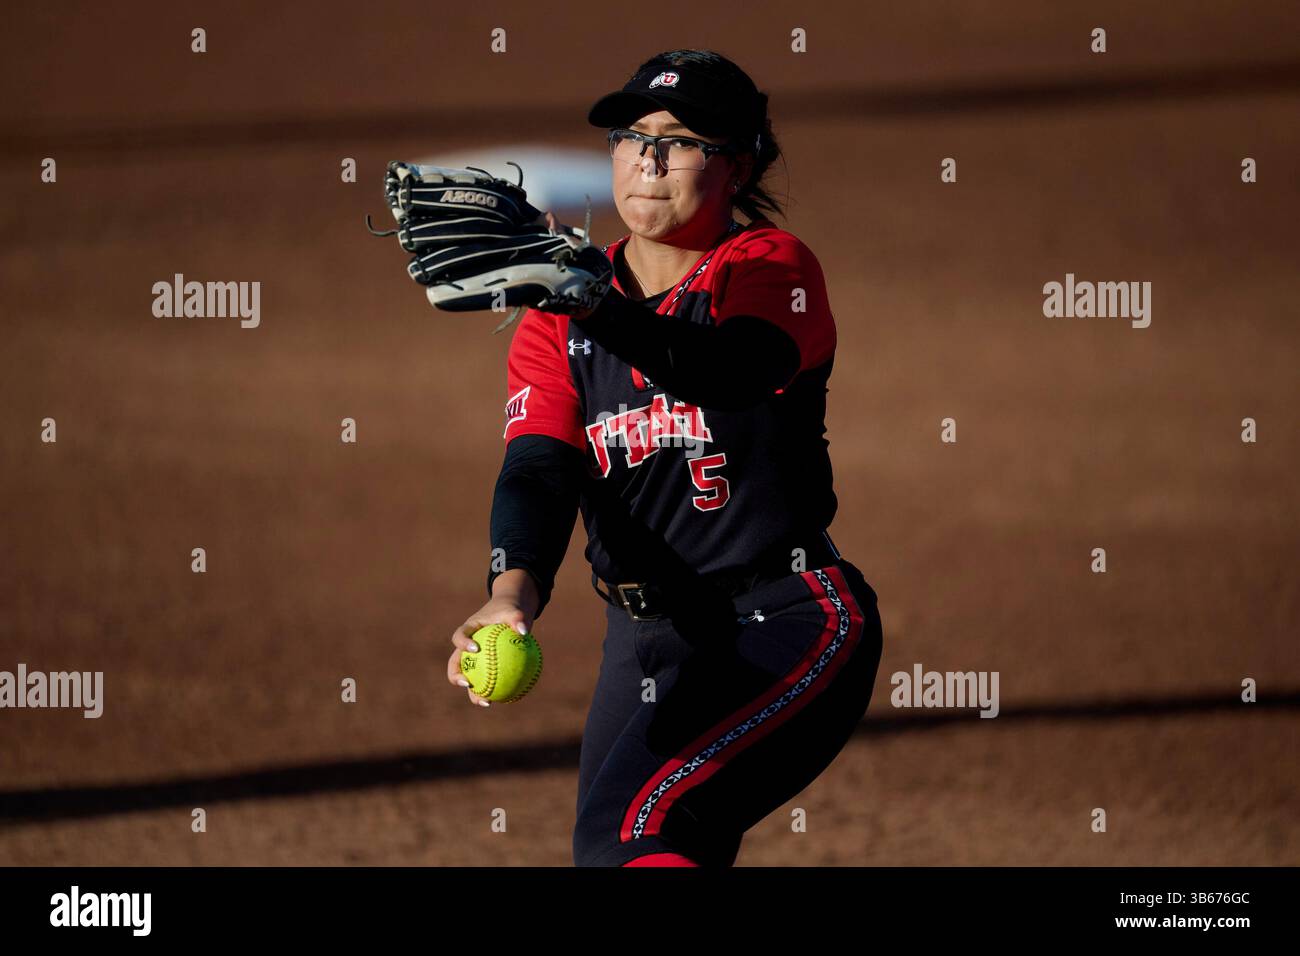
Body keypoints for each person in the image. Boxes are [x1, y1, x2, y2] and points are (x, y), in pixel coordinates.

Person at [444, 48, 884, 867]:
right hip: (641, 640)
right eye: (631, 135)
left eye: (680, 141)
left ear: (738, 165)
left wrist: (588, 299)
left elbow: (724, 372)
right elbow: (540, 468)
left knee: (636, 831)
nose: (647, 159)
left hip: (786, 620)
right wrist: (509, 597)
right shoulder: (558, 318)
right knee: (627, 848)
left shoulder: (767, 269)